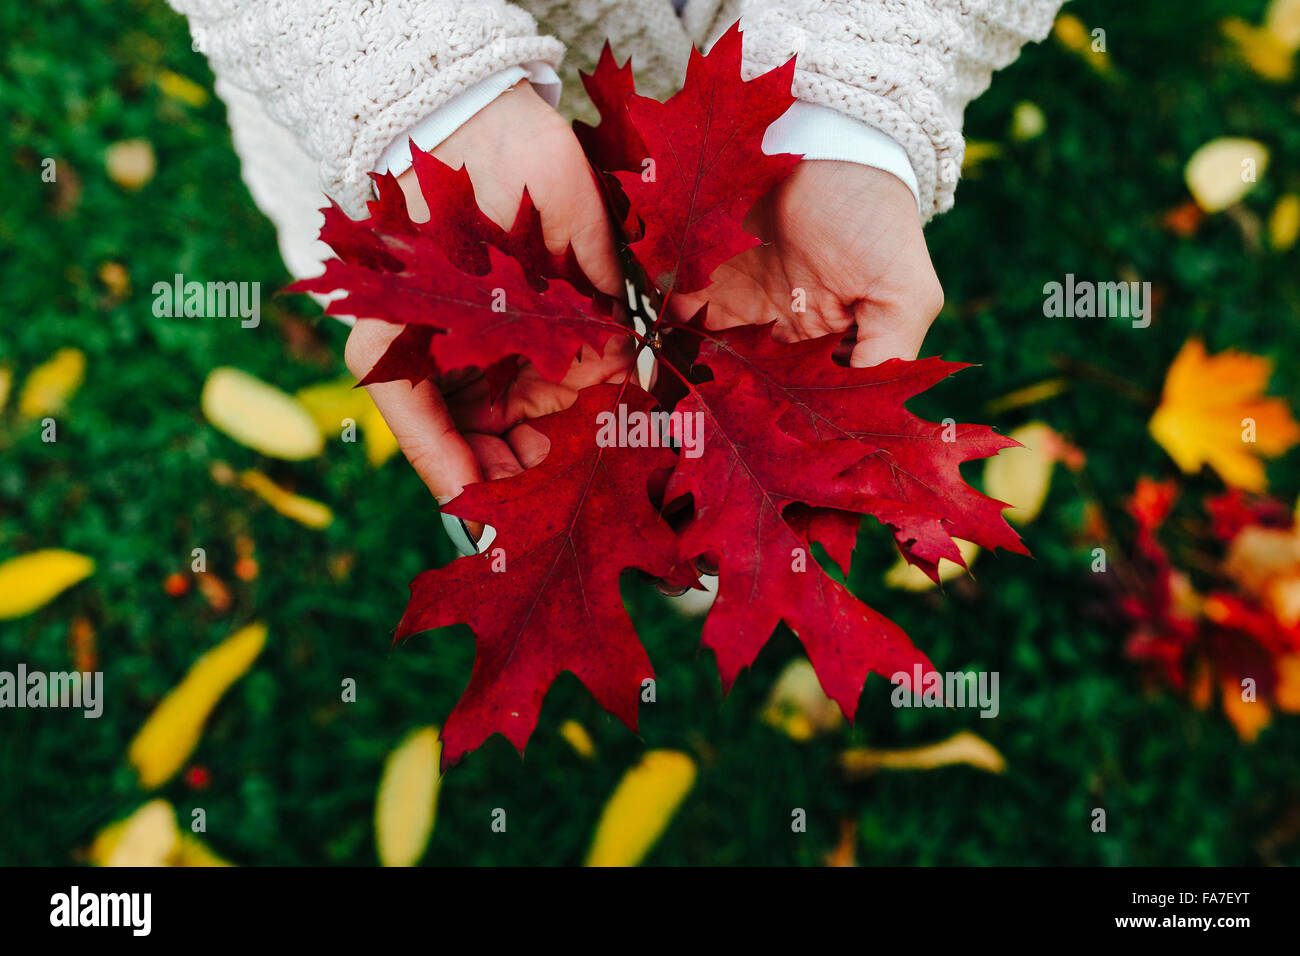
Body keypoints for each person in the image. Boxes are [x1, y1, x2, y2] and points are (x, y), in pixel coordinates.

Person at [168, 0, 1065, 546]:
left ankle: (698, 530)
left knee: (696, 474)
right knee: (524, 407)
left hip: (764, 194)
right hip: (387, 142)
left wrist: (846, 116)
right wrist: (430, 109)